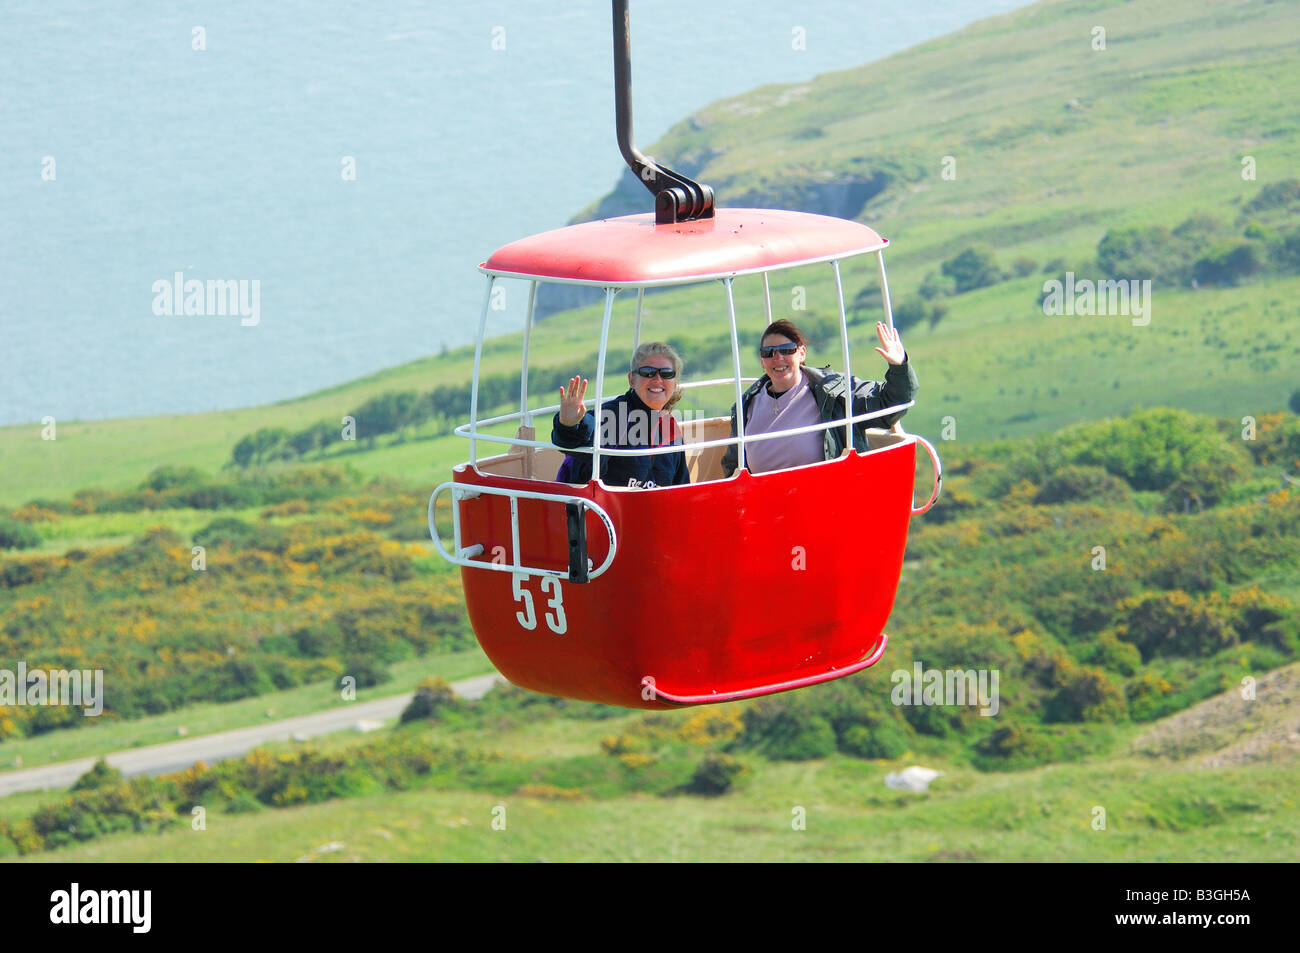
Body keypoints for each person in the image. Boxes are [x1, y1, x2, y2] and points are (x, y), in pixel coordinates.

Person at [721, 319, 917, 477]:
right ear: (762, 361)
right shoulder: (746, 406)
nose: (777, 358)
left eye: (787, 350)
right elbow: (733, 466)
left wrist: (899, 367)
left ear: (801, 353)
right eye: (768, 353)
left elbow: (890, 404)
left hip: (825, 501)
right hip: (766, 509)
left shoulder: (833, 392)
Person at [552, 341, 691, 488]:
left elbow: (681, 488)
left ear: (675, 383)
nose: (657, 379)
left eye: (666, 374)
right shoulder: (614, 415)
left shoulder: (669, 427)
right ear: (632, 379)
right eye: (648, 372)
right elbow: (589, 434)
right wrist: (571, 425)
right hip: (603, 509)